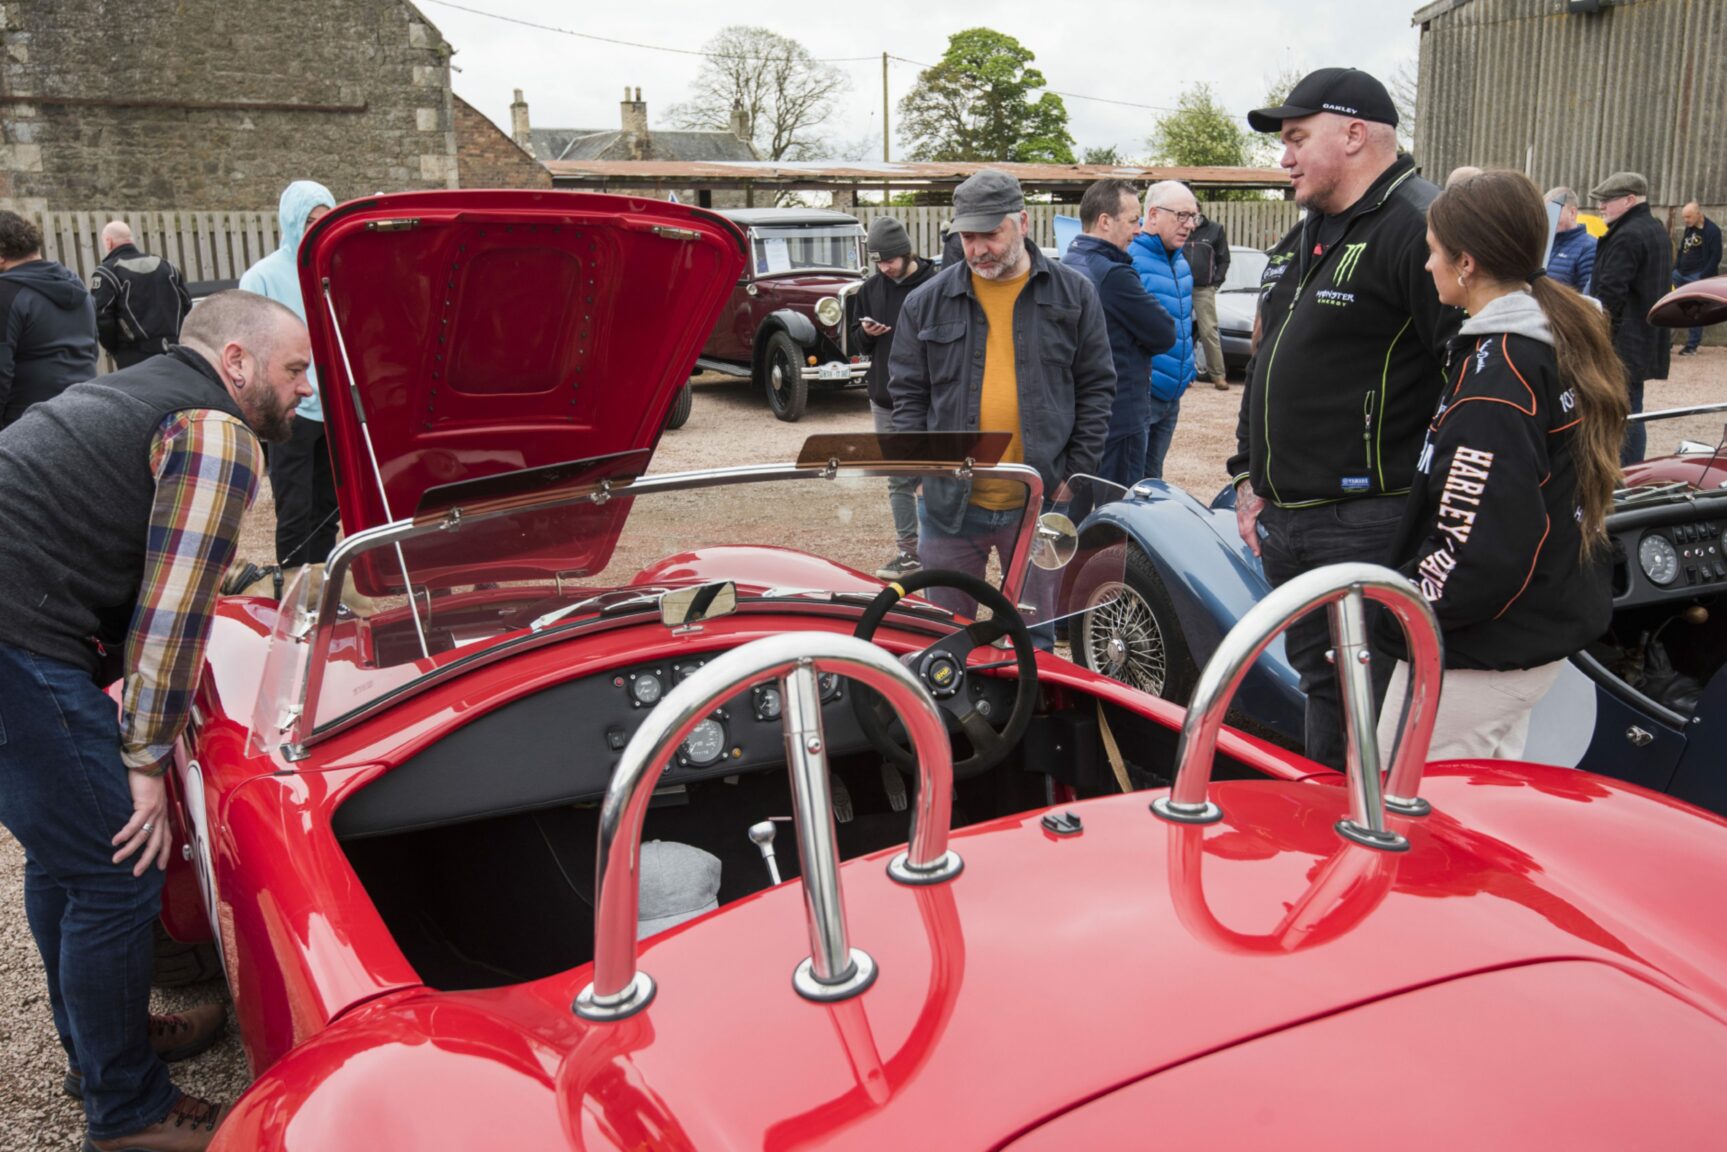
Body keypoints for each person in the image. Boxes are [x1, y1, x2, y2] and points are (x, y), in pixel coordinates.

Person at [0, 290, 315, 1151]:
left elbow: (145, 547)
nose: (304, 390)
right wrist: (144, 758)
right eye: (294, 369)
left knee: (70, 857)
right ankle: (126, 1108)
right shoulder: (218, 432)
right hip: (19, 634)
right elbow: (171, 617)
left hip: (17, 612)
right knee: (116, 870)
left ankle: (98, 1046)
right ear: (238, 363)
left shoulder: (138, 390)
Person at [1228, 66, 1462, 771]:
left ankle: (1371, 843)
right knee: (1325, 686)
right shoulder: (1307, 234)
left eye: (1298, 137)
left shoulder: (1421, 228)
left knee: (1375, 698)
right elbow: (1268, 366)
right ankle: (1330, 830)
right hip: (1288, 518)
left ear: (1355, 134)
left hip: (1368, 520)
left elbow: (1470, 379)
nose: (1283, 156)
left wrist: (1441, 508)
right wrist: (1247, 475)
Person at [1376, 170, 1626, 759]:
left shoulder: (1500, 377)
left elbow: (1478, 543)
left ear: (1466, 262)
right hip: (1527, 633)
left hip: (1481, 652)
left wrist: (1398, 612)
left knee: (1400, 805)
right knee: (1481, 813)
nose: (1426, 264)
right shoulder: (1548, 338)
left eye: (1432, 251)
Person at [889, 169, 1115, 637]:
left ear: (1023, 223)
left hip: (1041, 501)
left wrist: (1075, 472)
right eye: (967, 237)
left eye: (990, 234)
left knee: (1035, 635)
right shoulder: (925, 302)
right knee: (946, 639)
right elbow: (908, 394)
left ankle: (1033, 711)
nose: (977, 250)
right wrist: (917, 472)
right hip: (950, 505)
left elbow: (1096, 386)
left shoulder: (1074, 294)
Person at [240, 180, 339, 568]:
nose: (317, 228)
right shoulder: (262, 276)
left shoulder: (335, 268)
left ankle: (326, 590)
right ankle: (295, 595)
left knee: (328, 509)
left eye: (325, 220)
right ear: (292, 221)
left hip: (334, 407)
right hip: (290, 407)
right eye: (310, 220)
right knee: (294, 506)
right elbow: (251, 343)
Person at [1062, 178, 1176, 489]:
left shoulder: (1067, 264)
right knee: (1116, 515)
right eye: (1132, 220)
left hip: (1080, 417)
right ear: (1104, 222)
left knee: (1082, 509)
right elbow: (1165, 333)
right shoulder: (1112, 273)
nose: (1138, 230)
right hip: (1121, 414)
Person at [852, 215, 938, 579]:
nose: (884, 267)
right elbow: (855, 345)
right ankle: (909, 553)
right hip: (885, 398)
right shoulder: (871, 289)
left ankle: (941, 549)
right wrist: (867, 334)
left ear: (906, 251)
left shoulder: (937, 283)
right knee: (899, 477)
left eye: (889, 259)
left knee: (938, 474)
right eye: (878, 261)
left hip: (932, 398)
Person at [1586, 171, 1671, 465]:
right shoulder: (1655, 229)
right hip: (1645, 336)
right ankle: (1629, 468)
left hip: (1624, 341)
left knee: (1624, 411)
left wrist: (1598, 337)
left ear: (1629, 200)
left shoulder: (1627, 235)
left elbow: (1610, 293)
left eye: (1607, 200)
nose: (1601, 207)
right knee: (1633, 407)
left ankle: (1625, 473)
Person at [0, 210, 98, 427]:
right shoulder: (77, 285)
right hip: (86, 411)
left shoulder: (5, 293)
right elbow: (92, 350)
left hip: (28, 423)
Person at [1129, 181, 1199, 479]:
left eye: (1194, 216)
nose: (1190, 225)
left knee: (1153, 478)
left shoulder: (1181, 264)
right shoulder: (1130, 260)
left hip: (1172, 396)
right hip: (1142, 395)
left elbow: (1183, 321)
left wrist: (1189, 368)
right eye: (1182, 215)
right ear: (1153, 215)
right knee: (1129, 484)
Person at [91, 220, 193, 369]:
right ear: (130, 239)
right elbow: (187, 305)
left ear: (108, 242)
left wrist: (117, 349)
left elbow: (102, 317)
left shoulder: (107, 273)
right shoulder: (167, 267)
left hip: (134, 356)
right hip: (175, 351)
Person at [1185, 208, 1232, 390]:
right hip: (1181, 286)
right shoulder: (1180, 228)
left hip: (1204, 289)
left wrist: (1215, 282)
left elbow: (1224, 259)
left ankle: (1218, 376)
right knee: (1181, 330)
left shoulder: (1215, 229)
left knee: (1208, 331)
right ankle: (1186, 376)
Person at [1674, 202, 1721, 356]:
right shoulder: (1690, 228)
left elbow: (1716, 256)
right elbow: (1683, 249)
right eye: (1684, 217)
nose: (1685, 220)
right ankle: (1666, 342)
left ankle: (1692, 345)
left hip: (1697, 275)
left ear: (1698, 214)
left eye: (1688, 216)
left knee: (1695, 308)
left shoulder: (1712, 230)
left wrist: (1703, 277)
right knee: (1668, 301)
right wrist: (1676, 268)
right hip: (1681, 273)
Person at [1543, 187, 1596, 292]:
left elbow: (1587, 297)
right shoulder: (1543, 244)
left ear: (1572, 213)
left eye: (1555, 212)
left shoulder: (1589, 248)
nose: (1549, 219)